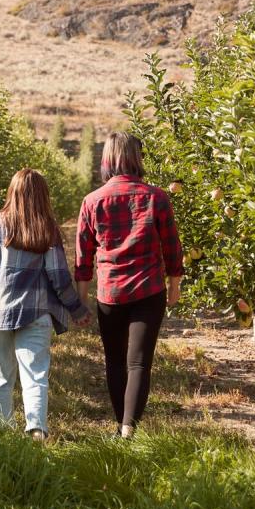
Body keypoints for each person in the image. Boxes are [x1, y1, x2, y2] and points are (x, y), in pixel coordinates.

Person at [0, 168, 91, 441]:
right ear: (43, 195)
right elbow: (58, 276)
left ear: (12, 192)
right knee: (35, 375)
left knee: (1, 376)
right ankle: (36, 432)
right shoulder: (46, 228)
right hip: (35, 312)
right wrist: (76, 309)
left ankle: (2, 434)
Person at [75, 131, 183, 439]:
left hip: (110, 293)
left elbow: (83, 256)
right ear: (136, 158)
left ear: (107, 159)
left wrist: (82, 300)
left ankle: (121, 423)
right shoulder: (156, 197)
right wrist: (174, 285)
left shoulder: (92, 201)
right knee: (138, 363)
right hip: (148, 290)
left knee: (114, 361)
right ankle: (127, 428)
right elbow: (171, 246)